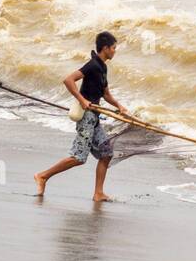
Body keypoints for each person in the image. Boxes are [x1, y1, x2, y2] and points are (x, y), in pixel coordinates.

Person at [35, 31, 133, 201]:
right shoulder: (93, 65)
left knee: (106, 153)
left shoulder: (102, 67)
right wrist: (81, 100)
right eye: (114, 48)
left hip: (94, 118)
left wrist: (120, 106)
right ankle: (43, 176)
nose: (115, 51)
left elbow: (106, 94)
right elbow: (69, 80)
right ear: (105, 48)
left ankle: (98, 193)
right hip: (86, 117)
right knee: (79, 158)